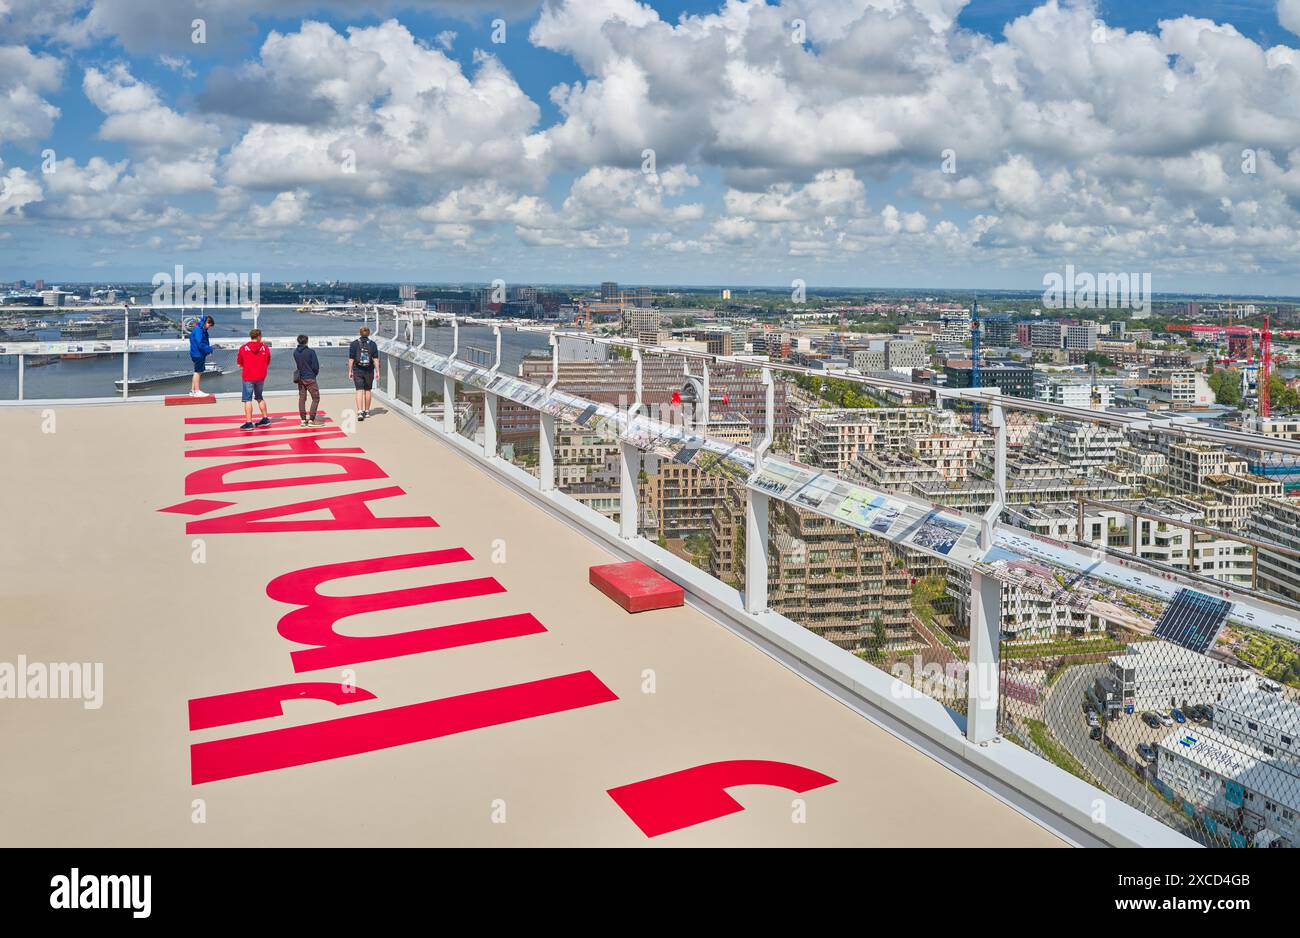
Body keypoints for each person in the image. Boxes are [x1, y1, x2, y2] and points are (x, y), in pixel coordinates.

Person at [236, 328, 271, 431]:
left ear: (251, 336)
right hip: (260, 376)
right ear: (259, 336)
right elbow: (268, 361)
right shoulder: (265, 348)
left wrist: (246, 365)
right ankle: (265, 418)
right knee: (260, 397)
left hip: (248, 376)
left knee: (247, 399)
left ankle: (249, 422)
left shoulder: (243, 348)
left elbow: (239, 363)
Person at [348, 325, 380, 421]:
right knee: (367, 390)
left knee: (359, 390)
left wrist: (349, 371)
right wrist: (378, 371)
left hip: (357, 369)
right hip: (369, 369)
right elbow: (376, 359)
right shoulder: (373, 344)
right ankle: (366, 411)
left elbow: (351, 359)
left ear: (360, 333)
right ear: (369, 333)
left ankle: (359, 412)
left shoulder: (354, 344)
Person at [293, 334, 322, 428]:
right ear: (306, 341)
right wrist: (313, 374)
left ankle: (302, 419)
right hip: (310, 377)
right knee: (316, 398)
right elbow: (315, 366)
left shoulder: (295, 352)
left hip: (300, 378)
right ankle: (311, 419)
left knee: (302, 398)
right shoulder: (311, 352)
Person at [188, 316, 215, 396]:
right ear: (207, 322)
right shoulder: (199, 330)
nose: (209, 327)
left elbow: (202, 342)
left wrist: (207, 351)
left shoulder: (200, 329)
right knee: (198, 372)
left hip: (196, 352)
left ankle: (192, 391)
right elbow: (200, 344)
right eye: (209, 325)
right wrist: (209, 349)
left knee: (196, 371)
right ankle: (197, 391)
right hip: (198, 353)